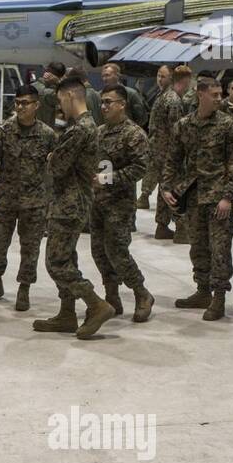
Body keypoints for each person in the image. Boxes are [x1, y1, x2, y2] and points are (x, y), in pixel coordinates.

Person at [33, 75, 115, 339]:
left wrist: (51, 158)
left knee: (56, 263)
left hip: (68, 204)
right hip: (74, 201)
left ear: (70, 96)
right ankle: (67, 313)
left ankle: (96, 304)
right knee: (67, 257)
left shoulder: (80, 129)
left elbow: (56, 166)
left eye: (60, 101)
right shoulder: (88, 125)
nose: (60, 107)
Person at [161, 76, 233, 321]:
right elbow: (172, 159)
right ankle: (202, 290)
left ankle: (218, 297)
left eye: (221, 94)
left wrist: (228, 197)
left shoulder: (228, 125)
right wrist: (167, 188)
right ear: (200, 94)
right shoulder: (184, 125)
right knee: (198, 247)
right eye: (215, 95)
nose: (220, 98)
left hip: (218, 197)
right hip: (194, 196)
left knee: (219, 249)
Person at [0, 85, 55, 311]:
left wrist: (51, 201)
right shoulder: (2, 132)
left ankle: (24, 288)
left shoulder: (47, 135)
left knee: (30, 248)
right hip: (4, 200)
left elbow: (55, 169)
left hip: (35, 202)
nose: (20, 107)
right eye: (18, 102)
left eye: (26, 103)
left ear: (37, 105)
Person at [92, 85, 154, 322]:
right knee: (99, 251)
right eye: (103, 102)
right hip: (97, 203)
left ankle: (142, 293)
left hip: (119, 203)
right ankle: (111, 297)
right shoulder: (99, 132)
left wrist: (107, 179)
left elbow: (140, 168)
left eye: (109, 102)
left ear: (122, 104)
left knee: (117, 252)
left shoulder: (134, 134)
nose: (104, 106)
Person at [147, 65, 190, 240]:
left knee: (164, 188)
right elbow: (176, 130)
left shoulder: (163, 96)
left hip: (158, 150)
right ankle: (181, 228)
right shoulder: (174, 100)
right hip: (169, 153)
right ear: (185, 81)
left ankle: (162, 226)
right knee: (176, 189)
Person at [137, 64, 173, 208]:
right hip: (155, 142)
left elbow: (173, 124)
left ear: (170, 78)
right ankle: (144, 196)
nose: (159, 79)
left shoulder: (171, 99)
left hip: (164, 144)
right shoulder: (161, 94)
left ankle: (157, 201)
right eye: (158, 76)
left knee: (161, 173)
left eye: (163, 76)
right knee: (151, 170)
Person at [101, 63, 148, 129]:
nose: (104, 79)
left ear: (117, 76)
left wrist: (131, 130)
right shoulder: (101, 95)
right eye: (103, 76)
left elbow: (142, 118)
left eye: (107, 75)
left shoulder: (131, 94)